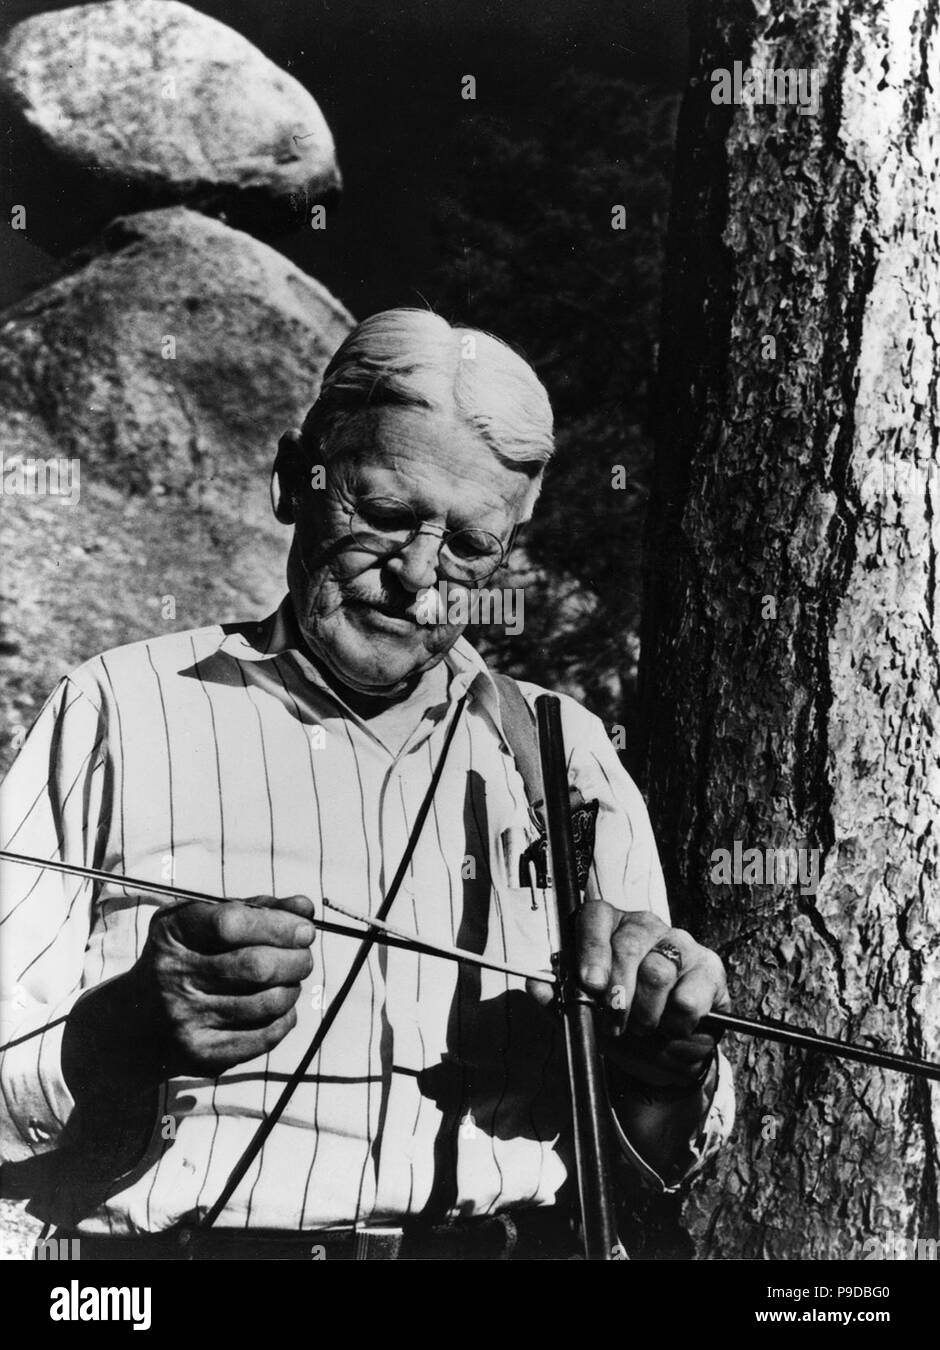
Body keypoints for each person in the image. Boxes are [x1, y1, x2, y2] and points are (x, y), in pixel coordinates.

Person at [0, 308, 734, 1260]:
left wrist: (663, 1070)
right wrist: (123, 1032)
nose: (420, 580)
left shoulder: (564, 755)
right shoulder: (114, 711)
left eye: (470, 546)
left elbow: (657, 1164)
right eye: (384, 515)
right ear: (292, 476)